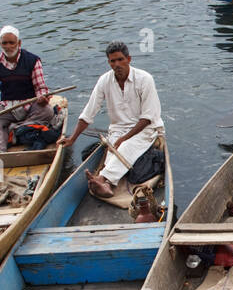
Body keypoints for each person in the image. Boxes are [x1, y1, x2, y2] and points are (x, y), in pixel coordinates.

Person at [58, 41, 164, 198]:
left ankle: (102, 178)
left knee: (126, 146)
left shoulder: (144, 79)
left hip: (146, 128)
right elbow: (89, 113)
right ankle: (107, 184)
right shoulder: (104, 81)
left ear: (129, 59)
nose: (117, 64)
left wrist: (125, 138)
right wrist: (72, 138)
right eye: (113, 61)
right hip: (118, 128)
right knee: (113, 153)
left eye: (120, 59)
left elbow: (147, 118)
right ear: (109, 62)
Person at [0, 25, 55, 154]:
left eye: (12, 43)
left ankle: (15, 130)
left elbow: (40, 88)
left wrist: (42, 98)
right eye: (4, 43)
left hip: (30, 105)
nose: (8, 46)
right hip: (8, 107)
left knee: (47, 112)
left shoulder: (33, 60)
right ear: (0, 44)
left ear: (19, 43)